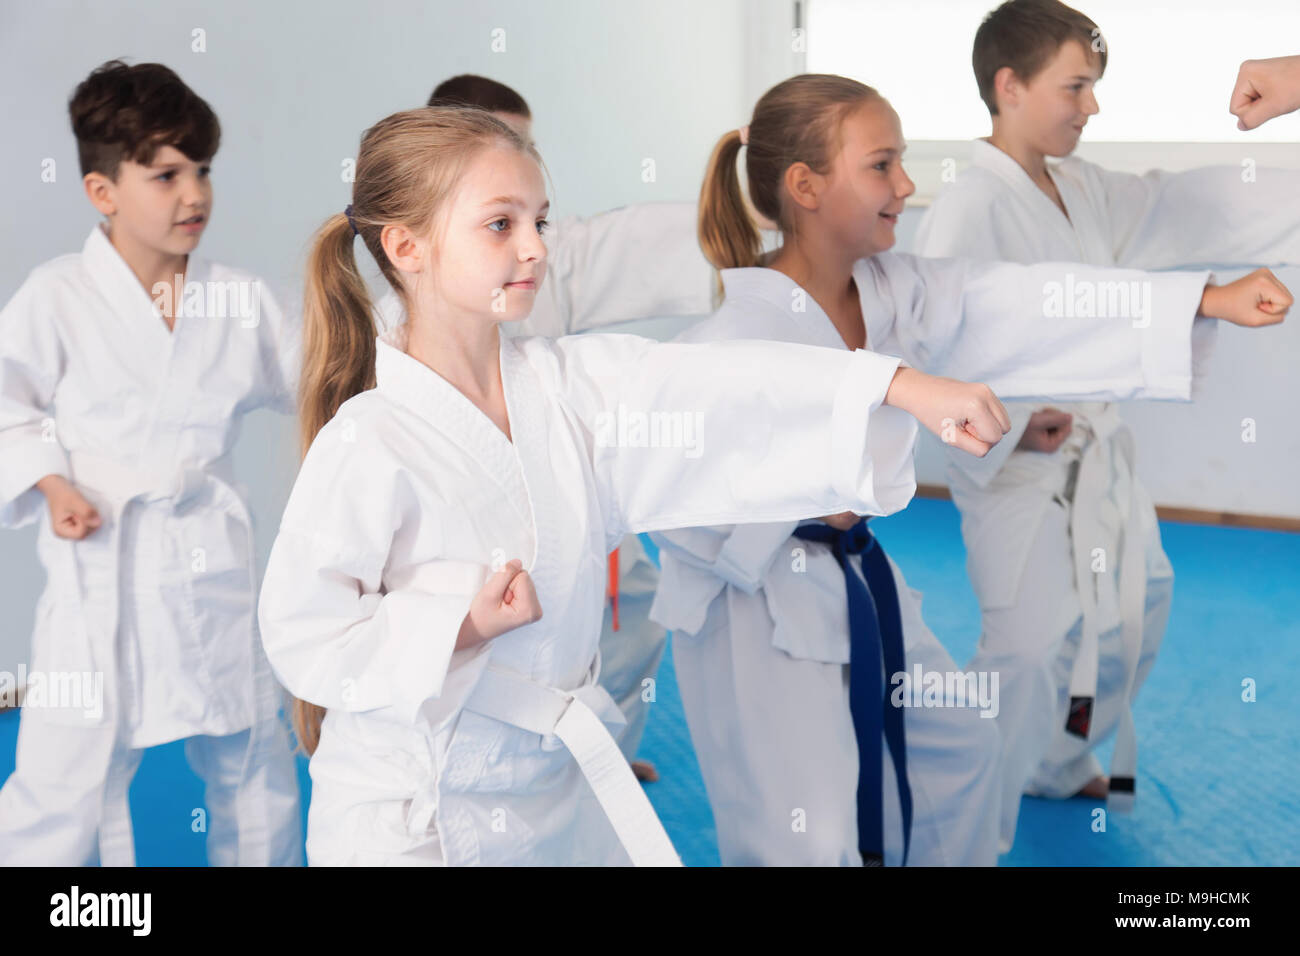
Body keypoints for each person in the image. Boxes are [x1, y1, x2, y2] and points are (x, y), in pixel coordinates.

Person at [255, 105, 1012, 866]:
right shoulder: (370, 437)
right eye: (500, 225)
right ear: (405, 246)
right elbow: (306, 634)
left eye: (539, 222)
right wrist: (461, 623)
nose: (534, 247)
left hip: (550, 794)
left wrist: (894, 386)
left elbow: (717, 385)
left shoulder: (568, 388)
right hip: (414, 817)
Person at [649, 73, 1289, 866]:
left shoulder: (893, 292)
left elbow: (1025, 302)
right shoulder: (725, 343)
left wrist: (1203, 300)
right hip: (753, 607)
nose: (905, 185)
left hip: (856, 576)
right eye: (881, 165)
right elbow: (670, 502)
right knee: (803, 832)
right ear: (805, 187)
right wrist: (792, 510)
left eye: (901, 161)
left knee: (962, 751)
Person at [914, 0, 1297, 851]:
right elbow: (937, 350)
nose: (1092, 106)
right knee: (1025, 649)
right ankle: (954, 820)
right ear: (1009, 86)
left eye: (1094, 86)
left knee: (1138, 605)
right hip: (1013, 469)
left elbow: (1191, 207)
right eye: (1076, 86)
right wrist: (1017, 421)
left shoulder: (1082, 186)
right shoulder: (967, 207)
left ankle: (1057, 760)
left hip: (1095, 454)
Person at [0, 60, 302, 866]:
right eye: (166, 175)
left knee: (253, 759)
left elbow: (323, 378)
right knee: (62, 775)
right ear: (102, 191)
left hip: (212, 565)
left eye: (202, 170)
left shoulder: (240, 300)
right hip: (102, 565)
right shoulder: (56, 296)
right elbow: (6, 404)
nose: (194, 194)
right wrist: (50, 482)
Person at [374, 74, 707, 781]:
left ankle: (602, 758)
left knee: (636, 610)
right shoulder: (391, 331)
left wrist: (750, 204)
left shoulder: (546, 253)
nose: (517, 161)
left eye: (524, 145)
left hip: (566, 494)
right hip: (467, 534)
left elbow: (637, 242)